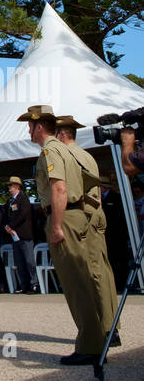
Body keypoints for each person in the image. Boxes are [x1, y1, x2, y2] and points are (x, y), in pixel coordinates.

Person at [20, 106, 104, 363]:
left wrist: (56, 226)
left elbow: (59, 189)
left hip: (64, 217)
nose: (28, 130)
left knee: (76, 284)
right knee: (83, 280)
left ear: (39, 126)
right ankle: (94, 342)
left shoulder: (51, 150)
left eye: (30, 125)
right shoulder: (64, 149)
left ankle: (89, 347)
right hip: (74, 215)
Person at [55, 115, 119, 347]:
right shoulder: (87, 154)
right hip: (95, 212)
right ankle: (112, 325)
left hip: (82, 214)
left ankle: (104, 328)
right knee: (102, 269)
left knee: (88, 274)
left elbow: (65, 189)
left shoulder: (67, 154)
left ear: (62, 134)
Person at [4, 177, 38, 293]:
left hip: (24, 234)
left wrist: (11, 225)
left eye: (11, 186)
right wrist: (7, 226)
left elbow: (24, 214)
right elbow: (7, 216)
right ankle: (24, 285)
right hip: (14, 235)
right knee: (19, 261)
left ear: (17, 186)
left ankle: (34, 283)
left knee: (29, 260)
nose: (9, 188)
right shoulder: (10, 201)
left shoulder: (23, 199)